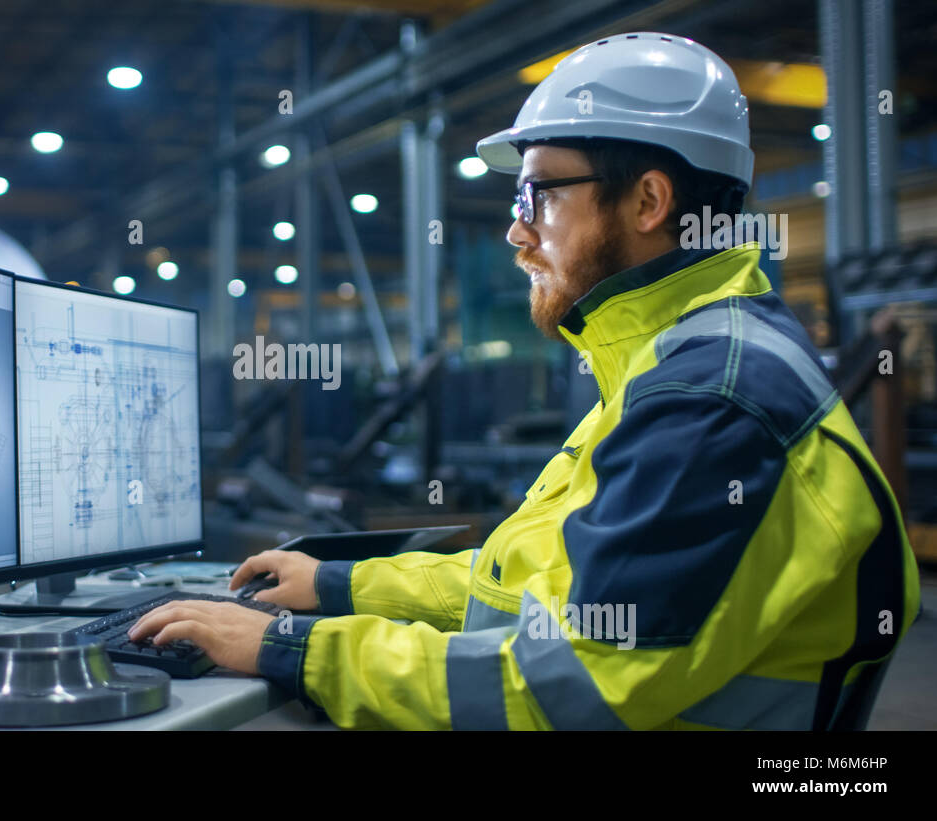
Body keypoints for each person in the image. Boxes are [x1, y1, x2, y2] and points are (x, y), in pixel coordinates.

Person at [129, 32, 922, 730]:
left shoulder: (711, 399)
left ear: (649, 199)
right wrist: (339, 584)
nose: (516, 228)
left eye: (538, 192)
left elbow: (564, 689)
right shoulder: (669, 363)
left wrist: (288, 648)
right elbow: (534, 581)